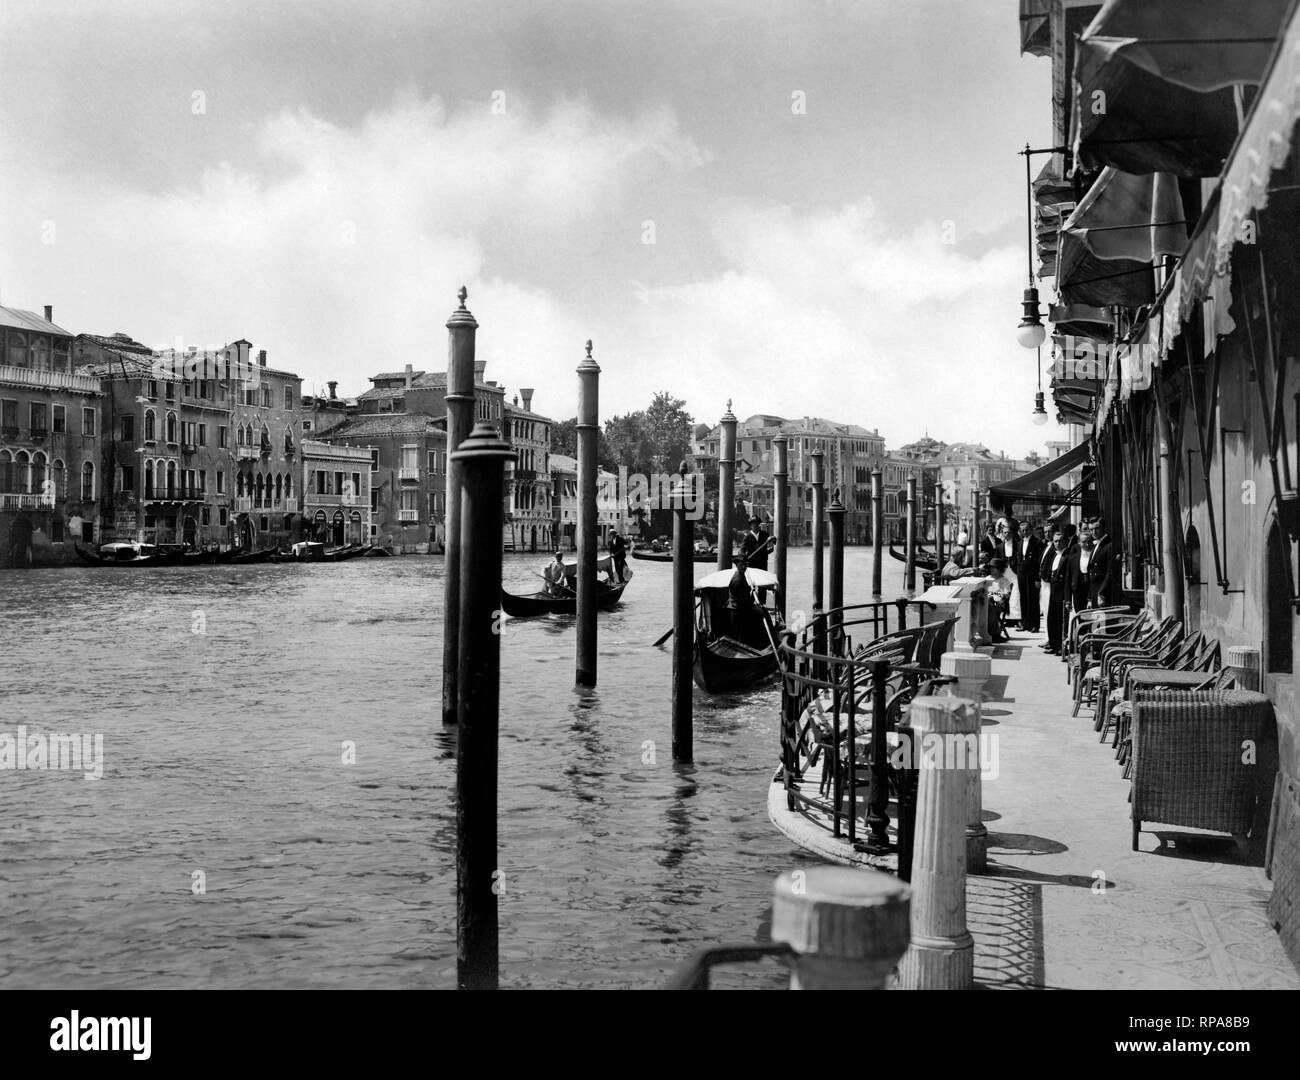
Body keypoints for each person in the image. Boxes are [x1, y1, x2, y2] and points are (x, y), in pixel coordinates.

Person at [1042, 530, 1069, 654]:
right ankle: (1053, 645)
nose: (1058, 543)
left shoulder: (1068, 556)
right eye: (1055, 541)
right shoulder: (1054, 554)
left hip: (1062, 591)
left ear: (1066, 541)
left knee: (1060, 620)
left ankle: (1060, 647)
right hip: (1053, 589)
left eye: (1060, 541)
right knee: (1051, 618)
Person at [1016, 521, 1045, 632]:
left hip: (1032, 576)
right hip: (1022, 575)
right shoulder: (1019, 543)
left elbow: (1039, 562)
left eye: (1027, 530)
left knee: (1032, 600)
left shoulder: (1037, 543)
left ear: (1031, 529)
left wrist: (1038, 578)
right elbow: (1018, 559)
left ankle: (1034, 625)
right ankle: (1025, 624)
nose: (1025, 532)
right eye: (1023, 530)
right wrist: (1018, 573)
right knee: (1023, 599)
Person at [1089, 516, 1119, 605]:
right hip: (1095, 592)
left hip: (1103, 594)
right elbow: (1092, 572)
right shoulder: (1096, 546)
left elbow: (1109, 572)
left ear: (1103, 528)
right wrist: (1090, 598)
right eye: (1091, 529)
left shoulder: (1109, 546)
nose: (1094, 532)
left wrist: (1102, 593)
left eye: (1097, 528)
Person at [987, 557, 1014, 643]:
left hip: (998, 604)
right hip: (988, 602)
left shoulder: (1004, 580)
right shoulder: (988, 579)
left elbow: (1006, 594)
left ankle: (994, 633)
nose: (991, 570)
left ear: (999, 569)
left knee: (989, 607)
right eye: (990, 568)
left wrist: (993, 595)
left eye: (993, 568)